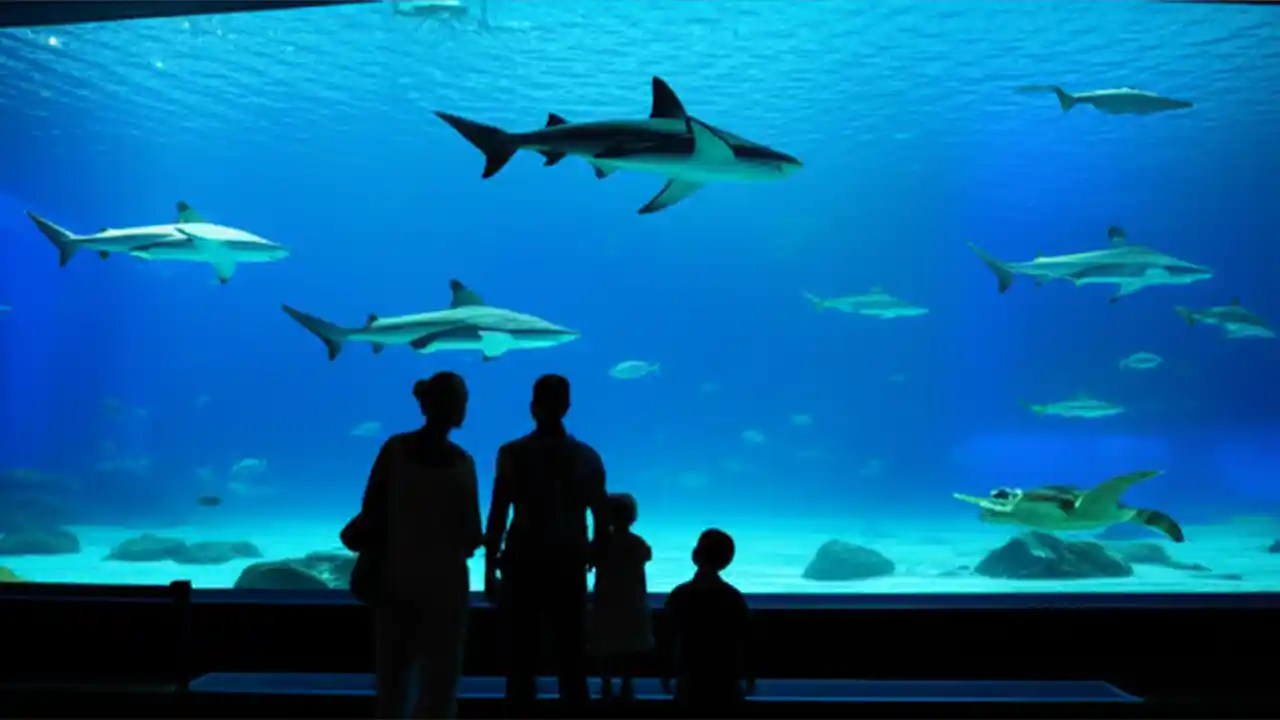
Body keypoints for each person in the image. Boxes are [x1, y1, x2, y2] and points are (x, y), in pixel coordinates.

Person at [344, 372, 482, 719]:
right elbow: (470, 535)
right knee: (441, 684)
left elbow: (371, 508)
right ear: (456, 407)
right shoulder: (463, 463)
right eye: (462, 400)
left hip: (397, 578)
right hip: (446, 587)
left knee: (393, 680)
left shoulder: (396, 449)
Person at [483, 374, 609, 711]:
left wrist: (488, 567)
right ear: (568, 406)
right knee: (572, 656)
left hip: (522, 561)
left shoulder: (511, 453)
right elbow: (601, 517)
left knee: (520, 658)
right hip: (569, 562)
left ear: (531, 408)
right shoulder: (588, 456)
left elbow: (498, 512)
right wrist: (598, 561)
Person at [661, 528, 755, 717]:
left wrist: (665, 671)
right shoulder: (733, 597)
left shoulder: (679, 594)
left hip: (689, 675)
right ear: (728, 561)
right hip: (725, 677)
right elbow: (746, 639)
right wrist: (749, 675)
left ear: (694, 556)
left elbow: (668, 636)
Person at [588, 493, 654, 702]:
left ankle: (606, 682)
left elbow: (589, 558)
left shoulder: (601, 543)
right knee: (630, 646)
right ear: (633, 517)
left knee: (604, 645)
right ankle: (627, 682)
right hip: (632, 600)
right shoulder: (638, 543)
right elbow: (646, 556)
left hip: (605, 600)